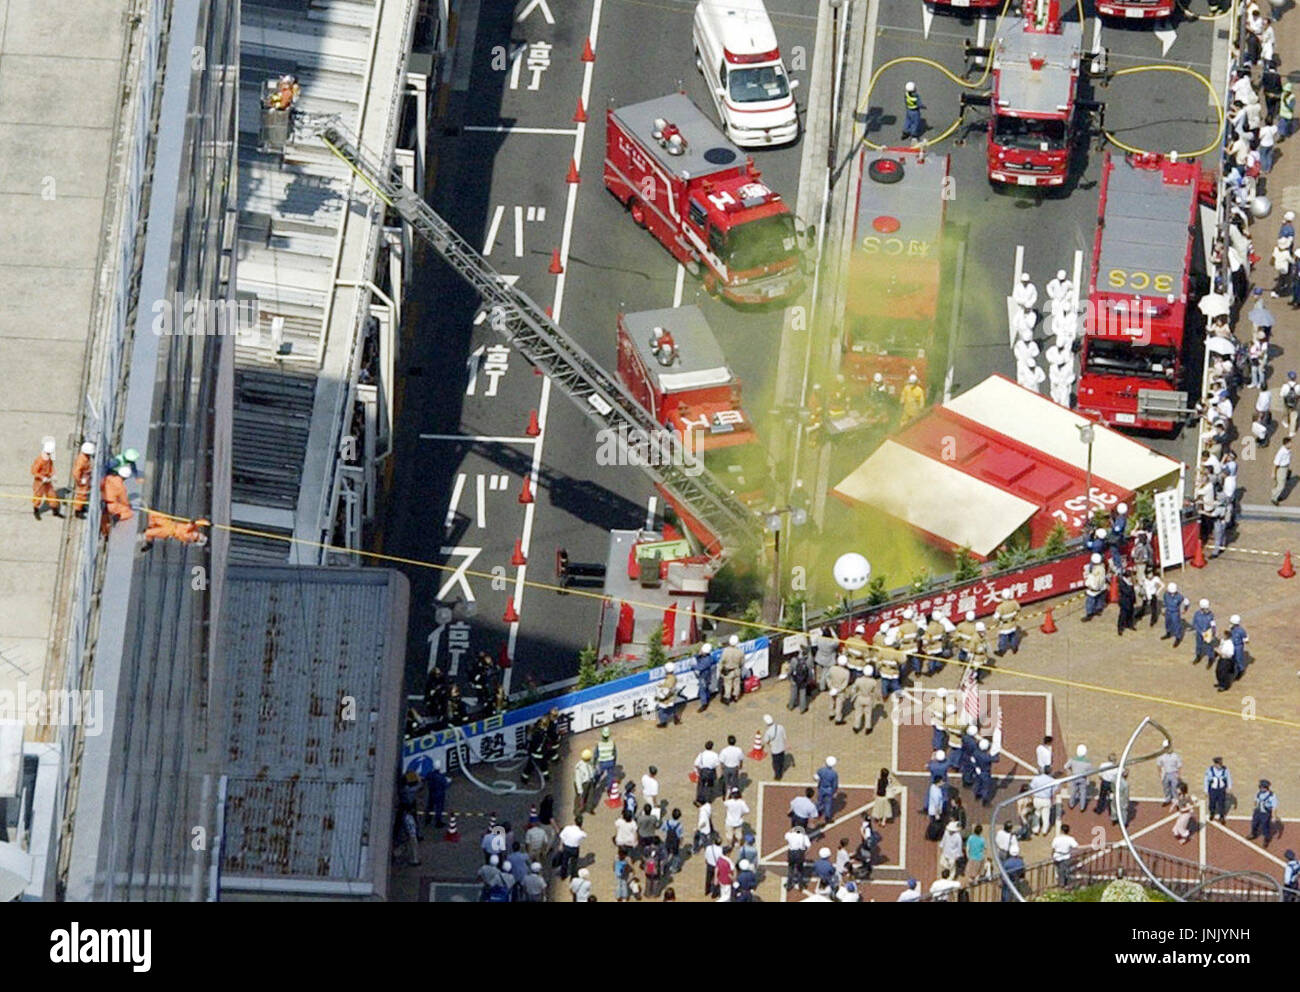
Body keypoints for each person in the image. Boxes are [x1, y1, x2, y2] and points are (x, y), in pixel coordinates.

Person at [1248, 779, 1278, 846]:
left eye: (1262, 787)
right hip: (1258, 811)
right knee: (1254, 823)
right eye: (1260, 787)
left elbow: (1274, 807)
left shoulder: (1272, 796)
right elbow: (1255, 800)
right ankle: (1253, 834)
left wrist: (1273, 816)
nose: (1261, 788)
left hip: (1265, 813)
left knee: (1265, 826)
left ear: (1266, 788)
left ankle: (1266, 839)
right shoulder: (1258, 793)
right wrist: (1255, 807)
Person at [784, 643, 812, 714]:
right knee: (802, 694)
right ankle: (802, 709)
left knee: (793, 693)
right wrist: (808, 680)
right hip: (803, 680)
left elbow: (790, 671)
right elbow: (810, 672)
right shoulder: (808, 660)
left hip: (795, 679)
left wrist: (789, 678)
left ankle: (791, 706)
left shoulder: (794, 660)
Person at [994, 588, 1022, 656]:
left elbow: (996, 617)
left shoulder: (1000, 607)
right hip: (1012, 623)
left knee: (1003, 638)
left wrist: (997, 622)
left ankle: (1002, 650)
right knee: (1013, 636)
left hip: (1004, 625)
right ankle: (1014, 648)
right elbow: (1018, 610)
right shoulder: (1014, 603)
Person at [1205, 757, 1232, 825]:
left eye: (1221, 764)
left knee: (1221, 803)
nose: (1220, 765)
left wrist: (1229, 787)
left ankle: (1222, 816)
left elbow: (1228, 778)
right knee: (1212, 802)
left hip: (1221, 789)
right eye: (1218, 764)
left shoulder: (1225, 770)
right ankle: (1212, 813)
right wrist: (1206, 790)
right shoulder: (1210, 770)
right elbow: (1206, 780)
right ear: (1215, 764)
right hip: (1213, 789)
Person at [1030, 766, 1056, 835]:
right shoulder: (1052, 780)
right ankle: (1044, 830)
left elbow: (1032, 787)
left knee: (1037, 813)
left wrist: (1032, 796)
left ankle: (1035, 829)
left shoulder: (1036, 779)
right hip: (1046, 800)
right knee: (1046, 816)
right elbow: (1053, 791)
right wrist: (1053, 799)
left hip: (1037, 799)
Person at [592, 726, 617, 800]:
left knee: (598, 774)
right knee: (610, 776)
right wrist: (614, 762)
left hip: (602, 762)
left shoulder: (599, 744)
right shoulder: (612, 743)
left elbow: (596, 755)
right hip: (610, 762)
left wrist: (594, 763)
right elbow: (615, 754)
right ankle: (609, 790)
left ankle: (594, 784)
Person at [558, 815, 586, 879]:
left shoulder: (567, 828)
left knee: (564, 862)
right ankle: (573, 876)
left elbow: (562, 836)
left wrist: (560, 845)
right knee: (574, 863)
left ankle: (563, 875)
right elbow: (584, 836)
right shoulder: (581, 833)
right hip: (574, 849)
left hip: (566, 847)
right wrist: (581, 829)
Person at [719, 634, 745, 704]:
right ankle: (735, 696)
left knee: (728, 685)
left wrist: (720, 671)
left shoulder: (726, 651)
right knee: (737, 684)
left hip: (728, 671)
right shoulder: (740, 652)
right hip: (736, 670)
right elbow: (742, 663)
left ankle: (727, 697)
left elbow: (722, 661)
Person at [761, 714, 788, 780]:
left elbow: (766, 741)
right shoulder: (780, 727)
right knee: (781, 761)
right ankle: (781, 771)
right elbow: (784, 736)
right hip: (782, 747)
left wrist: (770, 745)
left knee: (776, 763)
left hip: (775, 750)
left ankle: (778, 775)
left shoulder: (768, 732)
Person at [693, 739, 720, 806]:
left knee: (701, 785)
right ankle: (707, 799)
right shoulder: (715, 754)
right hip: (711, 771)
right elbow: (717, 764)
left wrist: (697, 771)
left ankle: (699, 799)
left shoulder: (701, 754)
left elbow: (696, 764)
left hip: (703, 771)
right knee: (709, 786)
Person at [1064, 744, 1091, 810]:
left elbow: (1065, 766)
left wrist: (1070, 771)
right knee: (1083, 792)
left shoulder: (1073, 759)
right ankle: (1082, 806)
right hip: (1083, 778)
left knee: (1073, 791)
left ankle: (1071, 804)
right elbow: (1090, 771)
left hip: (1074, 777)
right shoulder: (1088, 762)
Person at [654, 661, 681, 727]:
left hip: (667, 698)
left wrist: (659, 696)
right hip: (671, 697)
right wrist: (662, 685)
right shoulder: (672, 677)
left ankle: (663, 723)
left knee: (661, 711)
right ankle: (676, 719)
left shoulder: (669, 680)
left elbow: (667, 690)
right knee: (671, 708)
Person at [785, 823, 811, 889]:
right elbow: (808, 846)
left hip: (791, 853)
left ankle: (789, 884)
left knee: (790, 869)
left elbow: (786, 836)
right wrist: (805, 853)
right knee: (800, 870)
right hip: (800, 853)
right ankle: (800, 885)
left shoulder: (790, 835)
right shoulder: (804, 836)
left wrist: (791, 830)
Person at [1191, 599, 1217, 666]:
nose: (1207, 610)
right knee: (1198, 645)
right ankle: (1198, 656)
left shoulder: (1210, 615)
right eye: (1206, 609)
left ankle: (1211, 658)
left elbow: (1213, 625)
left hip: (1207, 633)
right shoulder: (1197, 614)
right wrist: (1200, 632)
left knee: (1209, 646)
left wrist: (1213, 633)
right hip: (1199, 634)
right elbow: (1194, 624)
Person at [1082, 553, 1107, 620]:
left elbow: (1090, 583)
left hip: (1094, 589)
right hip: (1102, 587)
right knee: (1100, 599)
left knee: (1090, 601)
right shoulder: (1103, 568)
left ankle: (1089, 613)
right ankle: (1099, 609)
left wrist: (1088, 588)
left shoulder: (1093, 573)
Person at [694, 642, 717, 711]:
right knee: (706, 687)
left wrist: (692, 666)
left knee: (702, 689)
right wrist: (698, 655)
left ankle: (704, 703)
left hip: (704, 676)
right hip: (708, 675)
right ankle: (707, 697)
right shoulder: (710, 657)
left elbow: (699, 667)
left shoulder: (706, 660)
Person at [573, 748, 596, 816]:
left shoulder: (590, 763)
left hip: (590, 781)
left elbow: (592, 770)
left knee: (590, 795)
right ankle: (577, 812)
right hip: (583, 783)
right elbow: (578, 779)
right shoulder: (579, 767)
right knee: (580, 798)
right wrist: (580, 790)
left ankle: (589, 808)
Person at [1227, 615, 1249, 680]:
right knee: (1232, 657)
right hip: (1232, 645)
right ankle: (1232, 669)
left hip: (1238, 646)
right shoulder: (1231, 629)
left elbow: (1246, 639)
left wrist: (1246, 640)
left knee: (1238, 659)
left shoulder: (1241, 631)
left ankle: (1240, 671)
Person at [1272, 436, 1292, 504]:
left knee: (1280, 483)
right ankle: (1274, 497)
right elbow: (1275, 463)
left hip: (1285, 468)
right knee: (1281, 486)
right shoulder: (1281, 452)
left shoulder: (1288, 449)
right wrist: (1273, 473)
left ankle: (1277, 495)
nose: (1291, 444)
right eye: (1290, 443)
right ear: (1286, 444)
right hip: (1281, 469)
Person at [1116, 569, 1136, 634]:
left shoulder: (1130, 582)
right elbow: (1126, 592)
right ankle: (1120, 628)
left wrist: (1134, 599)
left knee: (1130, 613)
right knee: (1123, 615)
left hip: (1130, 601)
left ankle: (1130, 624)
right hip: (1124, 601)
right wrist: (1131, 587)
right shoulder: (1122, 583)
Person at [1281, 371, 1299, 438]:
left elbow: (1282, 395)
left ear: (1288, 377)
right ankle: (1291, 432)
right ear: (1295, 378)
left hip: (1286, 402)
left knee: (1286, 412)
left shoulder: (1285, 386)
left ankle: (1285, 422)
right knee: (1294, 416)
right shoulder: (1298, 386)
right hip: (1294, 404)